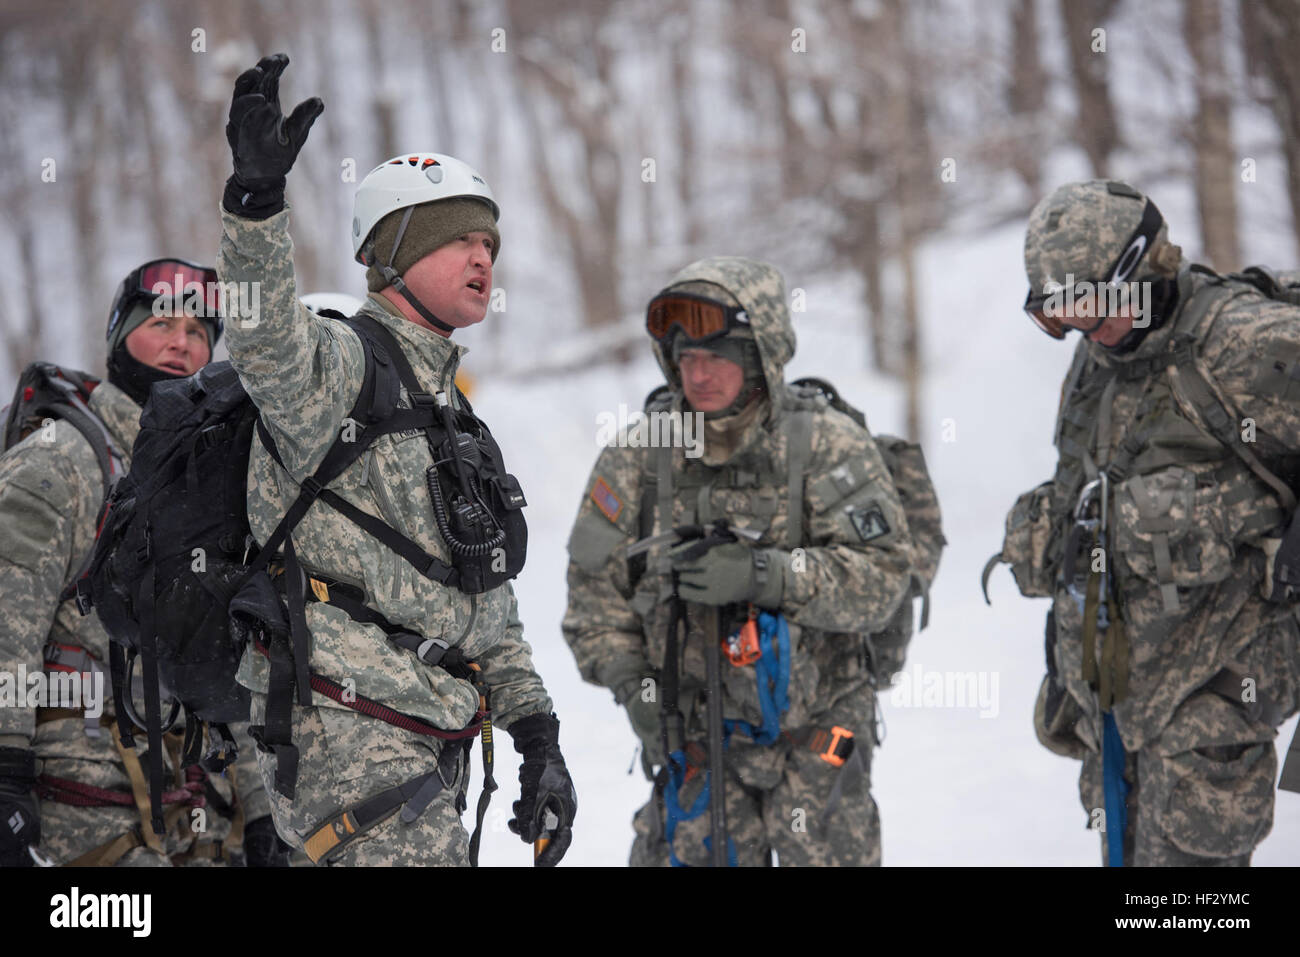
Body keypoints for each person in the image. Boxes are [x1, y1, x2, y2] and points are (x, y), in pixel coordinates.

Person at [218, 53, 575, 866]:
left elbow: (487, 607)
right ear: (393, 254)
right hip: (345, 732)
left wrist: (537, 738)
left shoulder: (456, 418)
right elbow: (263, 336)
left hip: (432, 743)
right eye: (457, 239)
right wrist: (255, 205)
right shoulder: (339, 365)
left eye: (489, 240)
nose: (483, 256)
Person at [561, 255, 919, 866]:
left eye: (717, 357)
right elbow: (593, 602)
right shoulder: (641, 455)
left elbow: (884, 577)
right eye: (686, 358)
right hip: (696, 737)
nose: (698, 375)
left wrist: (768, 575)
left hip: (817, 729)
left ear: (760, 357)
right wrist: (637, 687)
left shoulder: (826, 444)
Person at [994, 178, 1300, 866]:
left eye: (1094, 303)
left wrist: (1240, 520)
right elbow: (1083, 484)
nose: (1083, 327)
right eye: (1061, 314)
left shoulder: (1243, 342)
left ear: (1147, 265)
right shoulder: (1098, 356)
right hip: (1119, 702)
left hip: (1213, 699)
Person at [0, 258, 272, 866]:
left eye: (200, 332)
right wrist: (4, 775)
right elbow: (4, 627)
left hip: (200, 806)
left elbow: (238, 659)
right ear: (119, 337)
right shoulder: (59, 463)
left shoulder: (215, 491)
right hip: (80, 801)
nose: (182, 342)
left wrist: (262, 810)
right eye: (162, 323)